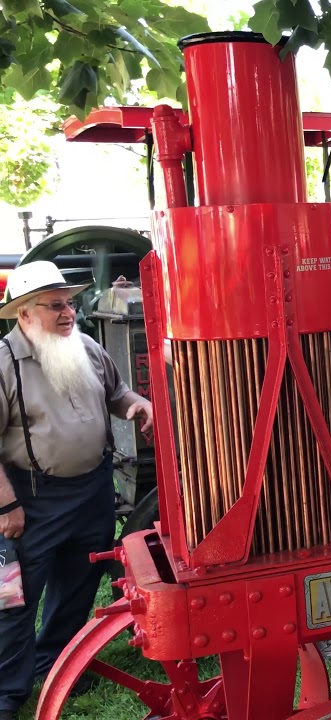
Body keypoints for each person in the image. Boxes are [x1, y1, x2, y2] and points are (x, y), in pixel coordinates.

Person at [0, 261, 154, 720]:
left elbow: (117, 393)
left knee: (78, 584)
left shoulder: (85, 346)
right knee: (16, 598)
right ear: (25, 313)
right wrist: (6, 506)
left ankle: (54, 663)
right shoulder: (5, 364)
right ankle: (7, 692)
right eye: (55, 306)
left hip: (92, 491)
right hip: (32, 499)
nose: (69, 313)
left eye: (69, 303)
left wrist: (137, 405)